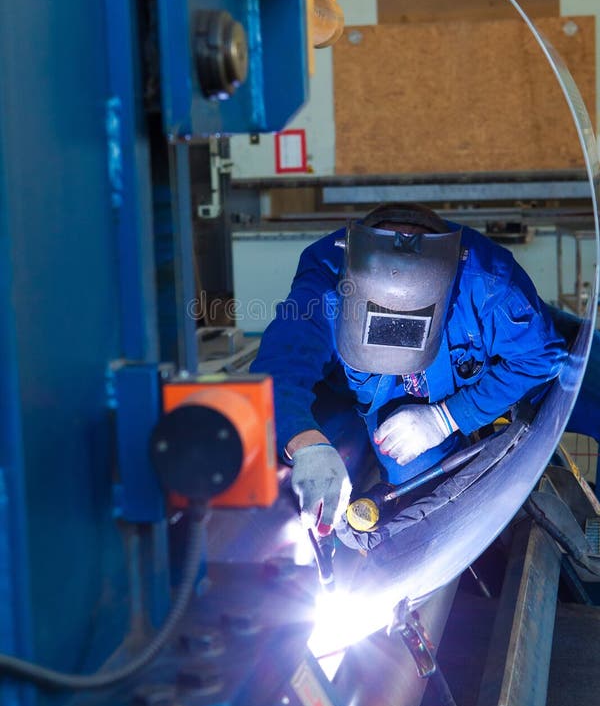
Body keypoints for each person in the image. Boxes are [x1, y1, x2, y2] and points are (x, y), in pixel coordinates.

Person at [250, 203, 599, 536]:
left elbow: (540, 357)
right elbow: (276, 375)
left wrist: (449, 417)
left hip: (472, 379)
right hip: (367, 398)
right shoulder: (327, 286)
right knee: (399, 497)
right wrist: (306, 444)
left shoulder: (488, 280)